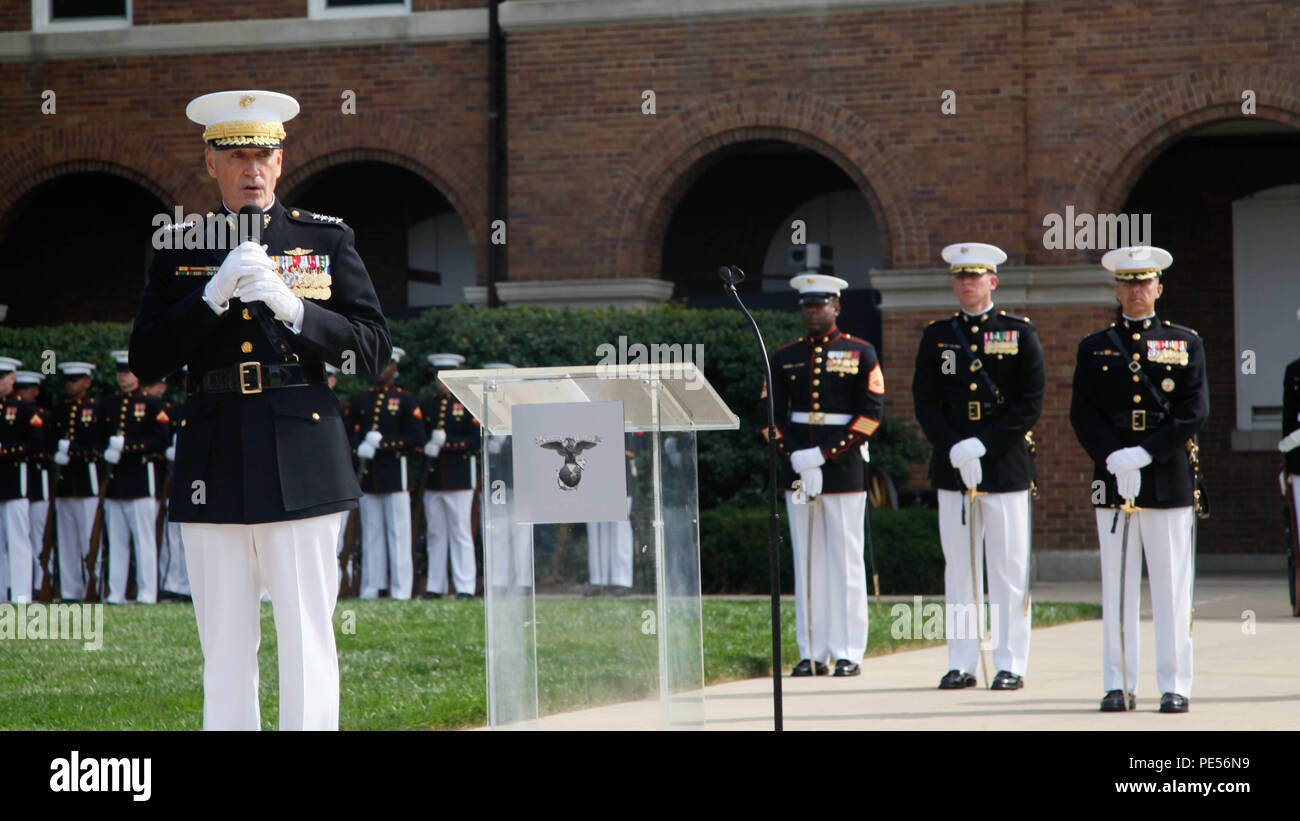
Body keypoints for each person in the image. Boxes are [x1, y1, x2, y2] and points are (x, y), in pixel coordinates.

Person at [128, 89, 391, 730]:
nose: (250, 169)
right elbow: (148, 359)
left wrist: (297, 309)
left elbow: (371, 352)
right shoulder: (180, 246)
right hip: (213, 454)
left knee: (305, 638)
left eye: (262, 155)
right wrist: (209, 300)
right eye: (235, 155)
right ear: (210, 162)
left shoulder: (323, 239)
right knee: (222, 645)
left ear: (280, 161)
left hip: (302, 451)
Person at [1069, 245, 1208, 714]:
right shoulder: (1094, 347)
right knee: (1118, 584)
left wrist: (1144, 453)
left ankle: (1175, 684)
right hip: (1112, 479)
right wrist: (1115, 457)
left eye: (1144, 283)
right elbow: (1082, 413)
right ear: (1117, 289)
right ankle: (1117, 682)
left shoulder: (1184, 342)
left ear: (1158, 289)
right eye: (1128, 283)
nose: (1136, 291)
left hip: (1167, 476)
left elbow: (1194, 411)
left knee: (1170, 588)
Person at [912, 243, 1044, 691]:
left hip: (1005, 467)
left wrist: (981, 447)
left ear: (993, 281)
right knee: (961, 567)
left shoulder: (1019, 333)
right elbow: (925, 402)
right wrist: (954, 448)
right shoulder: (936, 336)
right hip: (953, 467)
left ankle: (1010, 662)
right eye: (960, 276)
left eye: (976, 276)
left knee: (1008, 568)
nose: (967, 283)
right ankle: (962, 660)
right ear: (954, 283)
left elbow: (1029, 405)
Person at [761, 274, 884, 677]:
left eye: (820, 305)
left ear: (836, 306)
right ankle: (812, 650)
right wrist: (797, 456)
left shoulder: (860, 352)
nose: (812, 312)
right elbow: (769, 418)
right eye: (806, 306)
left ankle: (848, 650)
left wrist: (823, 456)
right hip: (797, 470)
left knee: (846, 560)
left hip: (844, 468)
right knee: (807, 561)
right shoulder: (783, 356)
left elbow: (870, 416)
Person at [348, 347, 423, 600]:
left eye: (386, 365)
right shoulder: (362, 400)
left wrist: (384, 443)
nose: (381, 370)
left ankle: (401, 591)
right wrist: (360, 447)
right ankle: (371, 587)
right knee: (371, 534)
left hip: (396, 475)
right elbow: (351, 435)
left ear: (395, 369)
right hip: (370, 477)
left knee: (399, 534)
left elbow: (416, 437)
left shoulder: (405, 400)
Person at [95, 351, 168, 605]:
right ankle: (116, 593)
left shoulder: (152, 404)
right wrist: (107, 449)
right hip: (115, 483)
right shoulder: (108, 405)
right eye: (120, 372)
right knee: (116, 541)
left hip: (140, 480)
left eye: (127, 371)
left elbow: (161, 440)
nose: (123, 376)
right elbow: (97, 437)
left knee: (144, 541)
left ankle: (147, 593)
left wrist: (127, 445)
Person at [420, 353, 479, 599]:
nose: (442, 383)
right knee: (435, 533)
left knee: (461, 533)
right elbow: (418, 436)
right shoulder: (427, 405)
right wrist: (427, 445)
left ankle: (465, 586)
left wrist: (448, 444)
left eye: (447, 377)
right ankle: (436, 585)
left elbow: (474, 442)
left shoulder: (467, 404)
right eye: (439, 378)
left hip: (459, 478)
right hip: (435, 479)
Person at [480, 362, 533, 596]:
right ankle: (499, 581)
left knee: (522, 534)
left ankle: (522, 582)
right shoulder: (486, 411)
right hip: (497, 480)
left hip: (521, 479)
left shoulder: (524, 412)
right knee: (498, 532)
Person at [52, 361, 100, 601]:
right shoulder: (60, 410)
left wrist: (74, 450)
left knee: (89, 539)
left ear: (87, 382)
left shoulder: (94, 409)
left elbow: (97, 445)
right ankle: (71, 591)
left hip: (86, 483)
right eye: (69, 381)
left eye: (76, 380)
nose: (71, 385)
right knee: (67, 540)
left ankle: (95, 586)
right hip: (64, 483)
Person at [0, 356, 41, 603]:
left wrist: (5, 450)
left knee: (18, 538)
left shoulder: (25, 408)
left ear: (12, 378)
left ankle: (21, 594)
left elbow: (35, 443)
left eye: (3, 377)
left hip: (16, 479)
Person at [15, 371, 54, 597]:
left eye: (26, 389)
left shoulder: (40, 416)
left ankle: (40, 585)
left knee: (39, 538)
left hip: (38, 486)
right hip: (18, 483)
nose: (22, 394)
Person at [586, 433, 638, 596]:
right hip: (593, 472)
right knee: (595, 528)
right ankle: (598, 579)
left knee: (619, 528)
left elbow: (633, 445)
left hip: (619, 473)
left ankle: (622, 580)